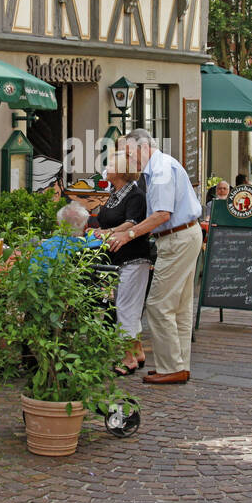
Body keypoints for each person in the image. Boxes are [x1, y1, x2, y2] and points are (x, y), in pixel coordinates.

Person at [109, 128, 202, 385]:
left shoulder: (159, 171)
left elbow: (162, 214)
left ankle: (170, 367)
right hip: (184, 235)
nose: (129, 160)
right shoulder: (160, 167)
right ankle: (178, 365)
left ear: (142, 148)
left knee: (159, 304)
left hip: (176, 238)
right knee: (180, 307)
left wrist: (128, 235)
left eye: (129, 153)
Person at [93, 155, 152, 375]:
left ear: (122, 170)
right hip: (117, 259)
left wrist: (107, 232)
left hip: (134, 257)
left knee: (126, 307)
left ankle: (127, 358)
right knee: (125, 305)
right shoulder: (114, 193)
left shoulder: (135, 195)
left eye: (110, 165)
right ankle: (137, 351)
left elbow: (132, 223)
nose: (106, 169)